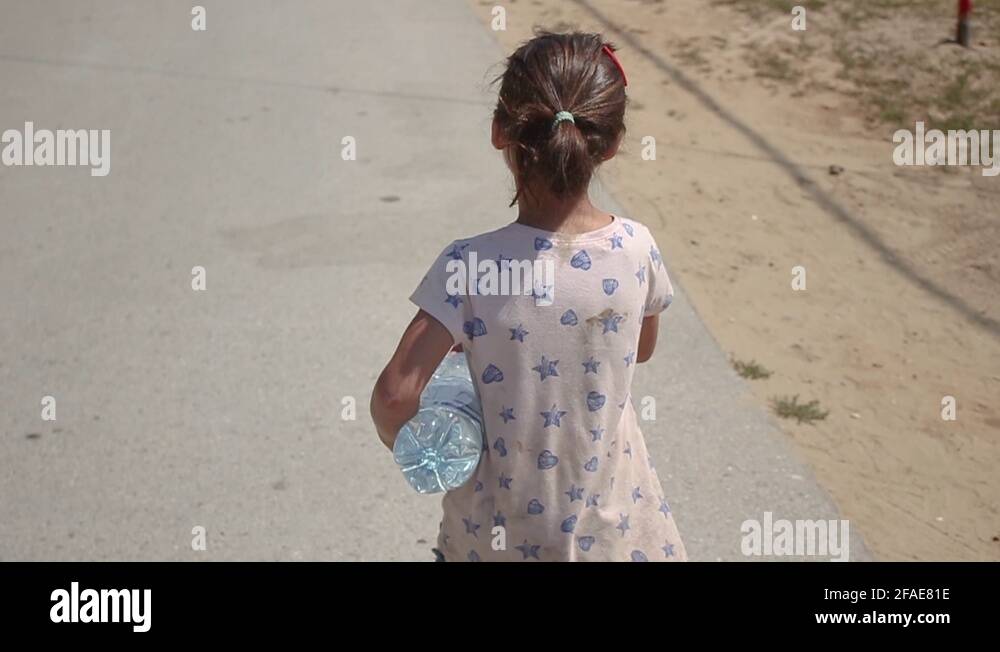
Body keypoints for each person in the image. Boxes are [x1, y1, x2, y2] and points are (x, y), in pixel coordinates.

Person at [371, 31, 686, 562]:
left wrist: (425, 446)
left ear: (500, 132)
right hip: (615, 539)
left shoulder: (466, 266)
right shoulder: (637, 248)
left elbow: (396, 397)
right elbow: (643, 346)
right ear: (609, 143)